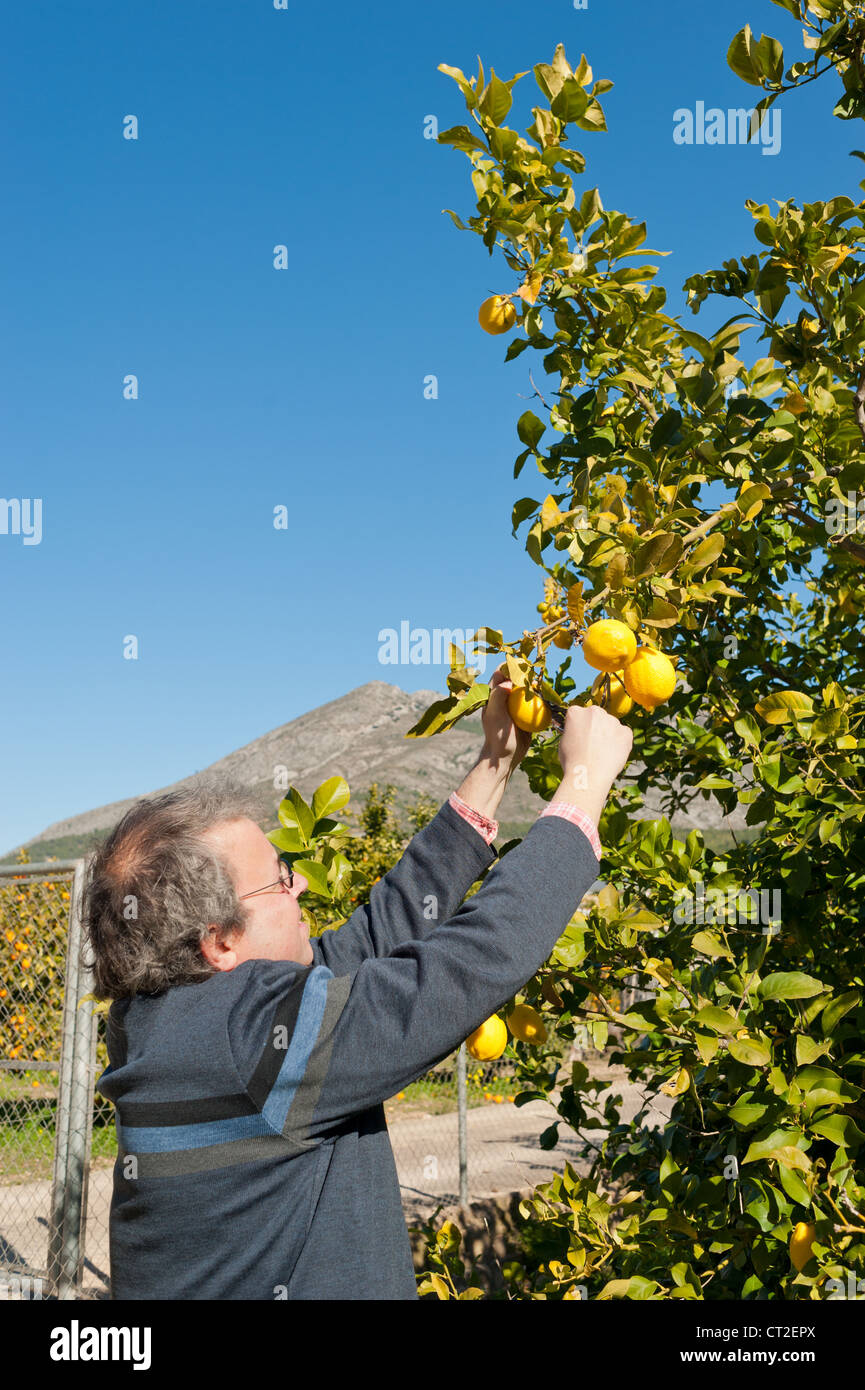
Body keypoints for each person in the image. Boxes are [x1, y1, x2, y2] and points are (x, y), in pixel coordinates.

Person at [85, 667, 633, 1300]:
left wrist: (494, 765)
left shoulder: (165, 1020)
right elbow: (464, 968)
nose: (302, 886)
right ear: (221, 941)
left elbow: (374, 940)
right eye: (279, 878)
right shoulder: (249, 1044)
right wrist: (582, 791)